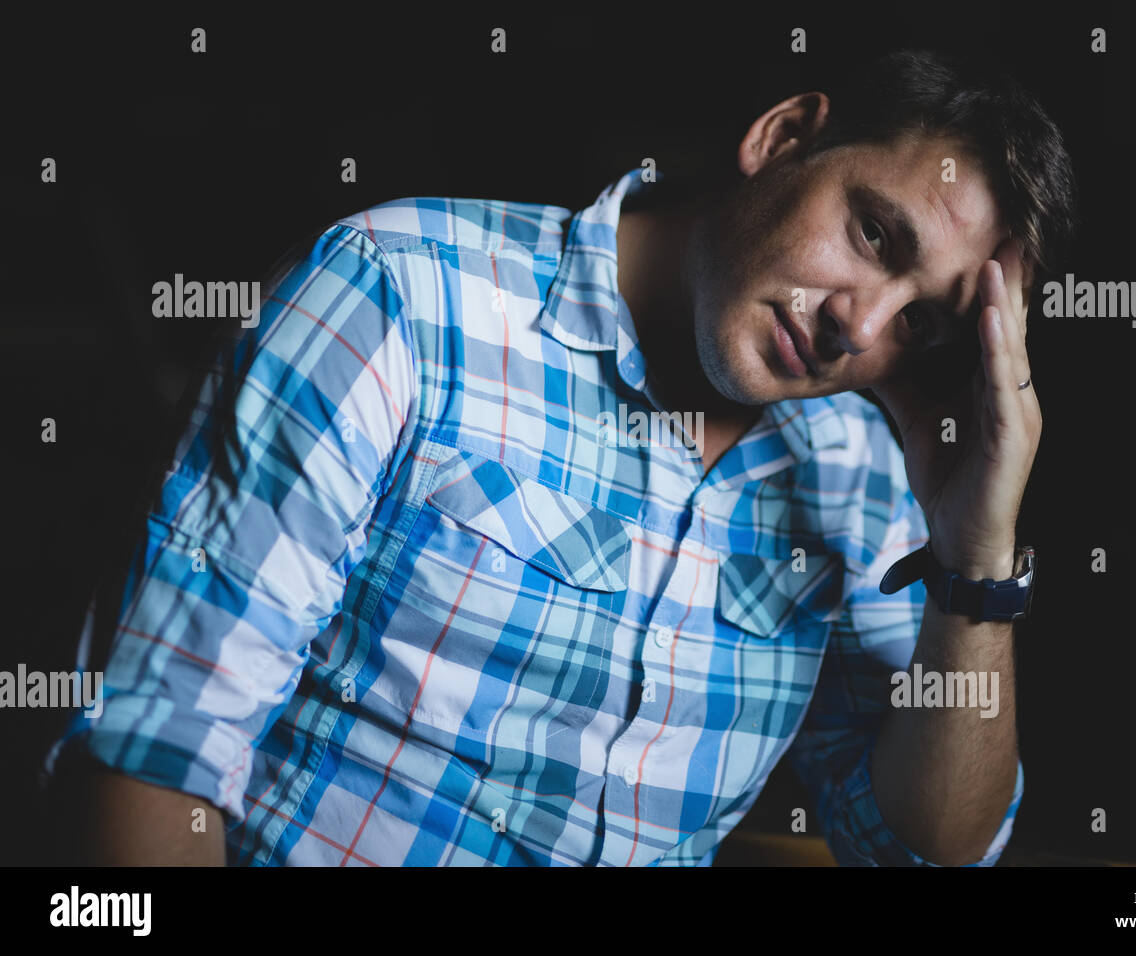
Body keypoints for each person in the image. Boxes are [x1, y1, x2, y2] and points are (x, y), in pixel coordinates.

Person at [45, 48, 1076, 866]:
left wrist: (974, 564)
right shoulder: (402, 295)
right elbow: (152, 748)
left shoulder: (855, 463)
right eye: (873, 237)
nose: (863, 327)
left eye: (923, 325)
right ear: (784, 135)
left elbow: (922, 847)